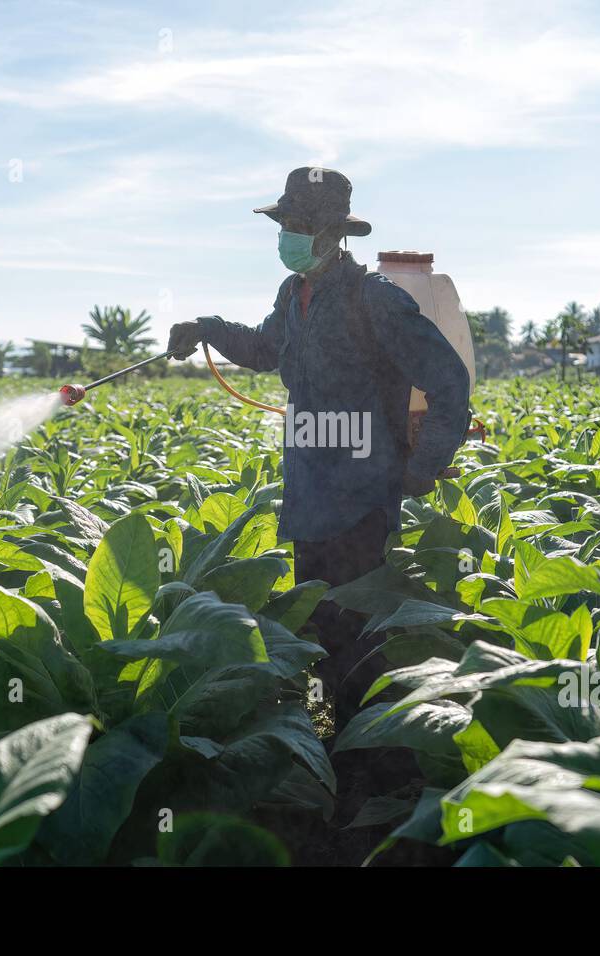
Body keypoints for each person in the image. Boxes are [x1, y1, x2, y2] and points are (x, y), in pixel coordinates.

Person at [167, 166, 470, 732]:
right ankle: (322, 735)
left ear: (335, 233)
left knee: (354, 635)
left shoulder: (374, 300)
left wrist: (423, 467)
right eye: (286, 223)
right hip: (308, 493)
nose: (289, 235)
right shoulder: (293, 293)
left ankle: (369, 758)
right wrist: (206, 327)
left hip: (360, 500)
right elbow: (263, 348)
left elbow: (449, 381)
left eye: (301, 224)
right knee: (314, 629)